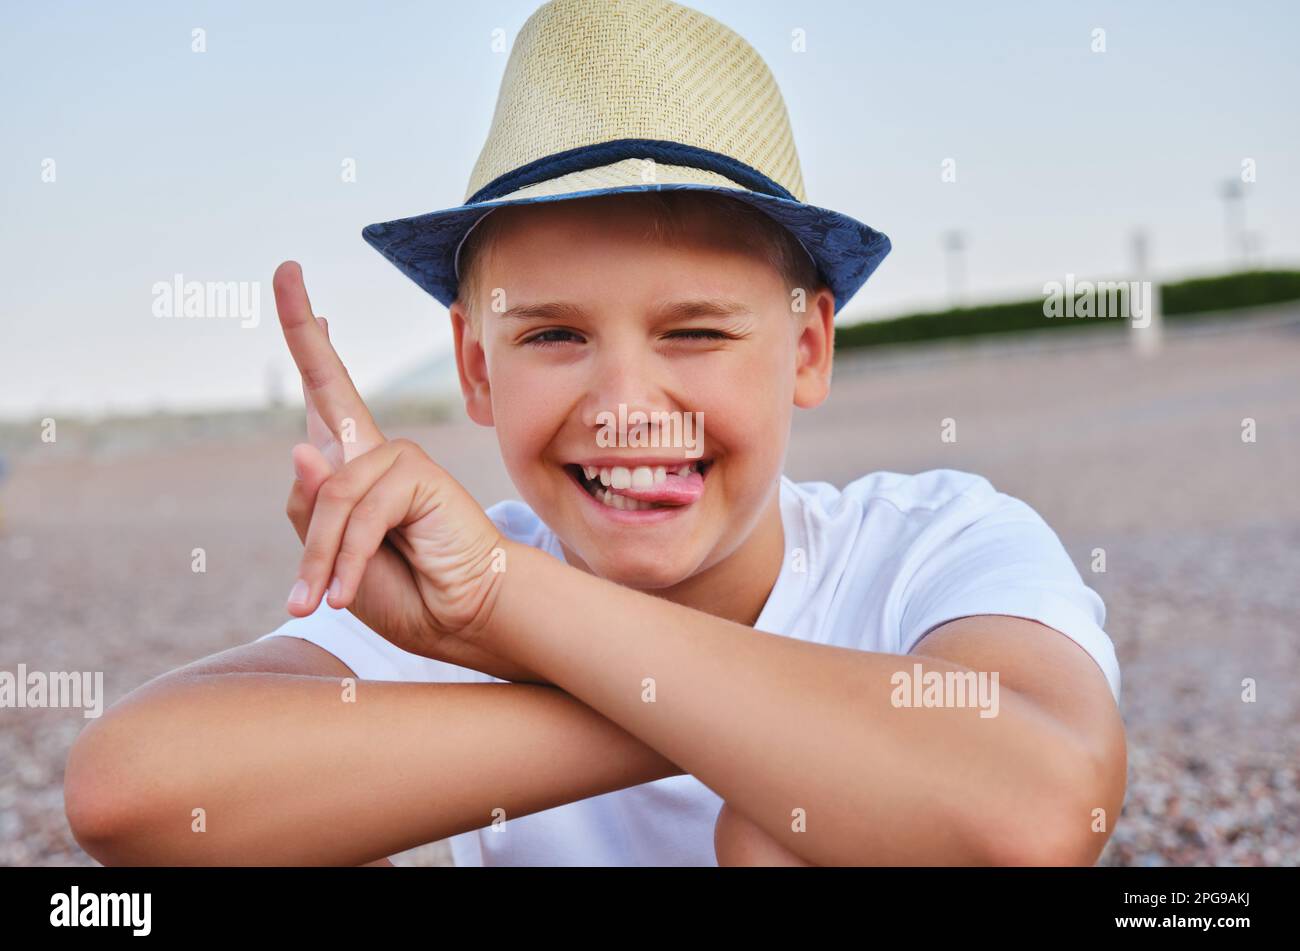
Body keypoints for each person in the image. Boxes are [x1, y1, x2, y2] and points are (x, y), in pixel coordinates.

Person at [64, 0, 1125, 866]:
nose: (622, 405)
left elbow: (1029, 809)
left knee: (781, 842)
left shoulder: (930, 541)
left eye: (697, 330)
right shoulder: (448, 592)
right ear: (477, 366)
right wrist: (684, 709)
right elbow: (130, 790)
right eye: (555, 332)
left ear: (806, 349)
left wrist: (507, 608)